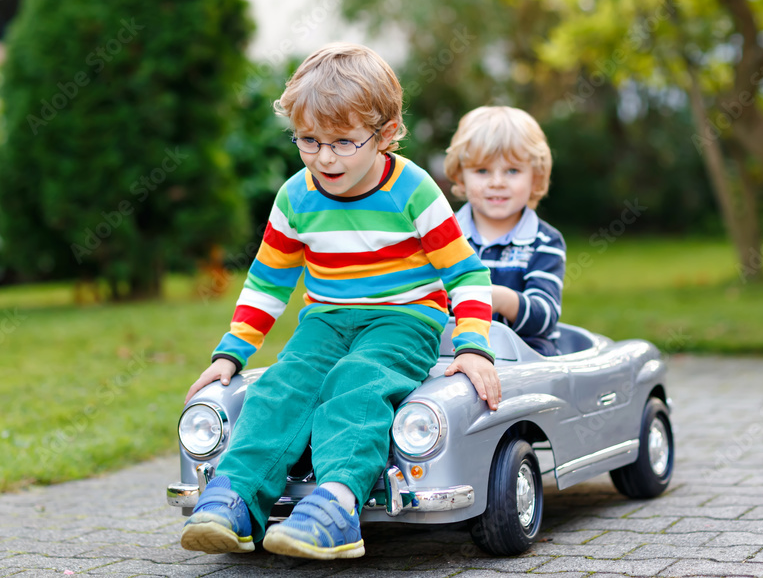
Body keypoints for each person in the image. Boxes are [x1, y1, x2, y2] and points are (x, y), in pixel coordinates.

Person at [179, 43, 500, 560]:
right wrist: (229, 353)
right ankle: (235, 498)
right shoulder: (295, 197)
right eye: (308, 140)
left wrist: (473, 346)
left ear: (387, 135)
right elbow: (266, 283)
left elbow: (465, 272)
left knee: (357, 385)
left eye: (343, 142)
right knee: (282, 387)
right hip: (325, 320)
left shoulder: (413, 190)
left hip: (405, 320)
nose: (324, 157)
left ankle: (337, 505)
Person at [443, 106, 566, 357]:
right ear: (460, 176)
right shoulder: (443, 236)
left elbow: (545, 317)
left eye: (512, 170)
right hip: (451, 350)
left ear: (536, 177)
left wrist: (495, 298)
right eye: (482, 171)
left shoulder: (544, 242)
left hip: (525, 359)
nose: (497, 182)